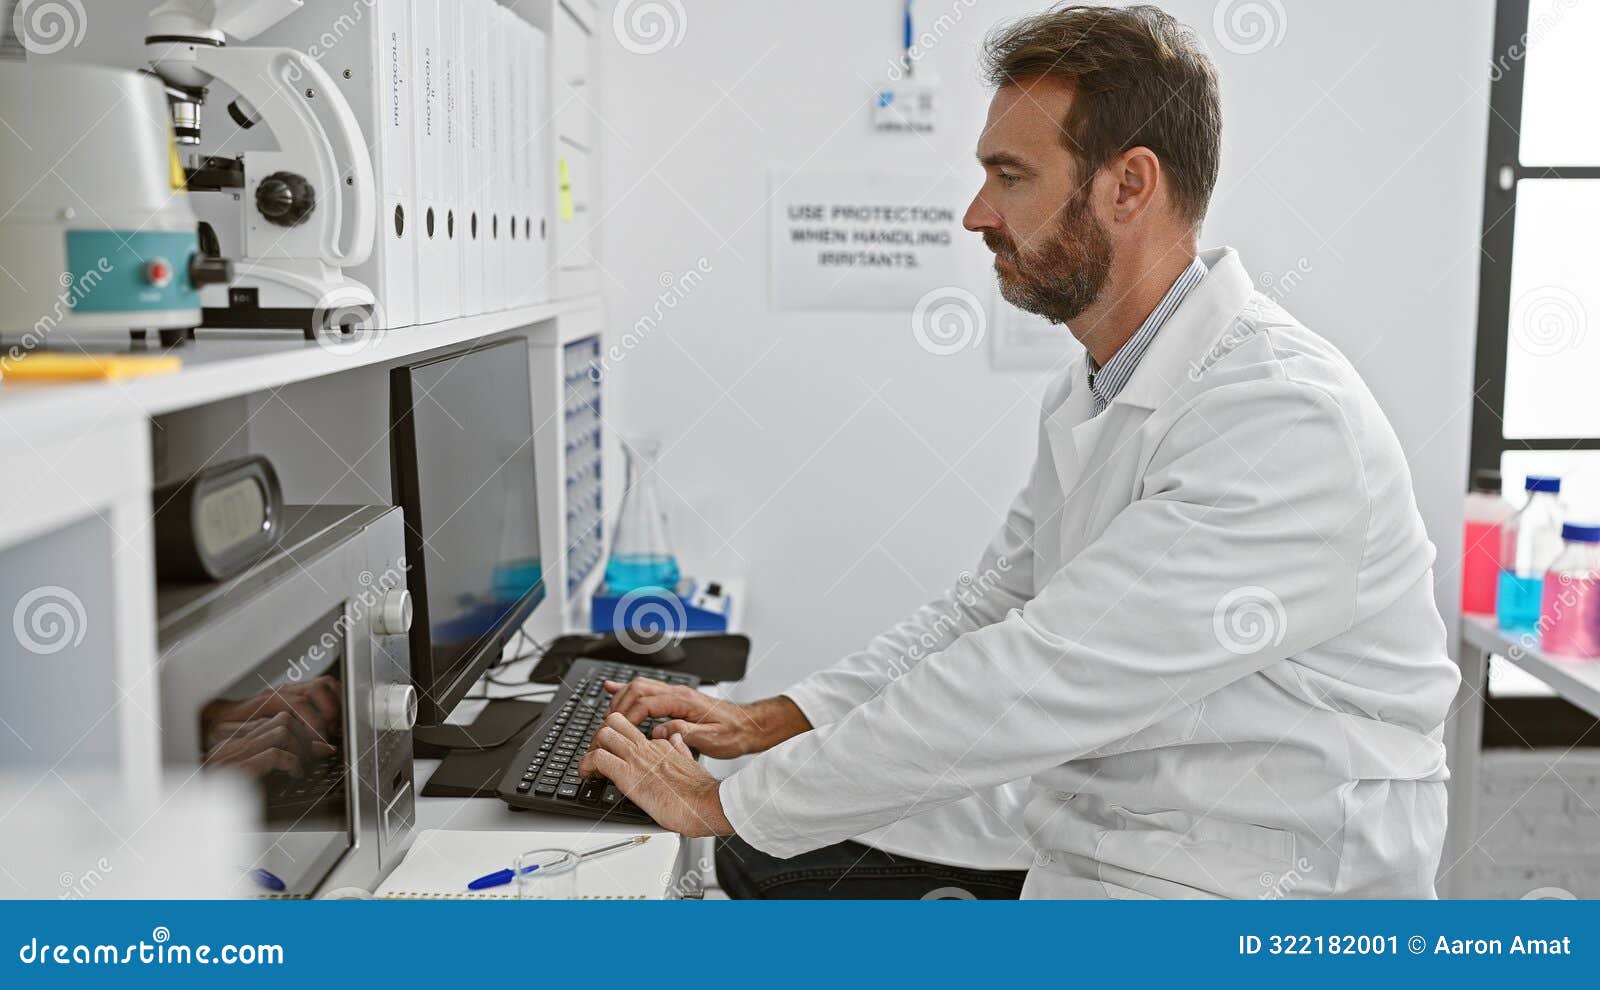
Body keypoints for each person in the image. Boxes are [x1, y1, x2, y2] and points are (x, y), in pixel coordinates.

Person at [578, 3, 1462, 899]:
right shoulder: (1102, 385)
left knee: (735, 867)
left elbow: (1039, 673)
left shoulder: (1281, 419)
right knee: (757, 868)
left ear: (1129, 186)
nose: (975, 214)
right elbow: (992, 612)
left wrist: (730, 803)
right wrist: (767, 722)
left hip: (1256, 886)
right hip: (1113, 843)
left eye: (1011, 176)